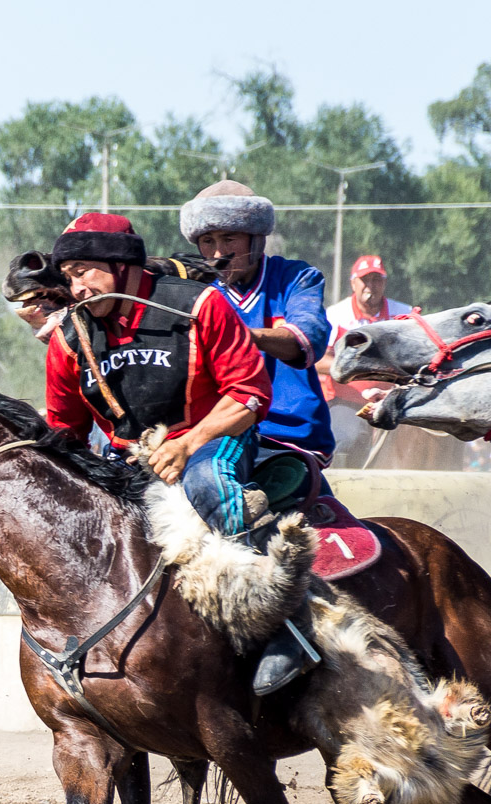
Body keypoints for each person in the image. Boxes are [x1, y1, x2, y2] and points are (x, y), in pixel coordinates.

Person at [44, 212, 297, 695]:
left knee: (206, 484)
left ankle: (285, 630)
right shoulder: (68, 338)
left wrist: (188, 444)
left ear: (122, 265)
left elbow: (249, 393)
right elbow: (65, 434)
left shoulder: (201, 305)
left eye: (83, 272)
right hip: (130, 459)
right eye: (68, 276)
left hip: (214, 439)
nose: (75, 288)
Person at [178, 181, 336, 691]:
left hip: (282, 437)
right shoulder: (189, 288)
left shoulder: (297, 279)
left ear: (257, 237)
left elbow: (303, 338)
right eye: (208, 242)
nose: (219, 252)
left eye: (230, 239)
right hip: (205, 435)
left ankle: (295, 628)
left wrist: (223, 333)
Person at [320, 254, 414, 466]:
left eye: (376, 280)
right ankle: (335, 489)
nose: (371, 286)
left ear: (384, 283)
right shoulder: (336, 315)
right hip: (349, 401)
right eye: (365, 280)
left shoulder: (404, 315)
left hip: (396, 398)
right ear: (353, 283)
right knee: (345, 439)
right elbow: (318, 360)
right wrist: (359, 369)